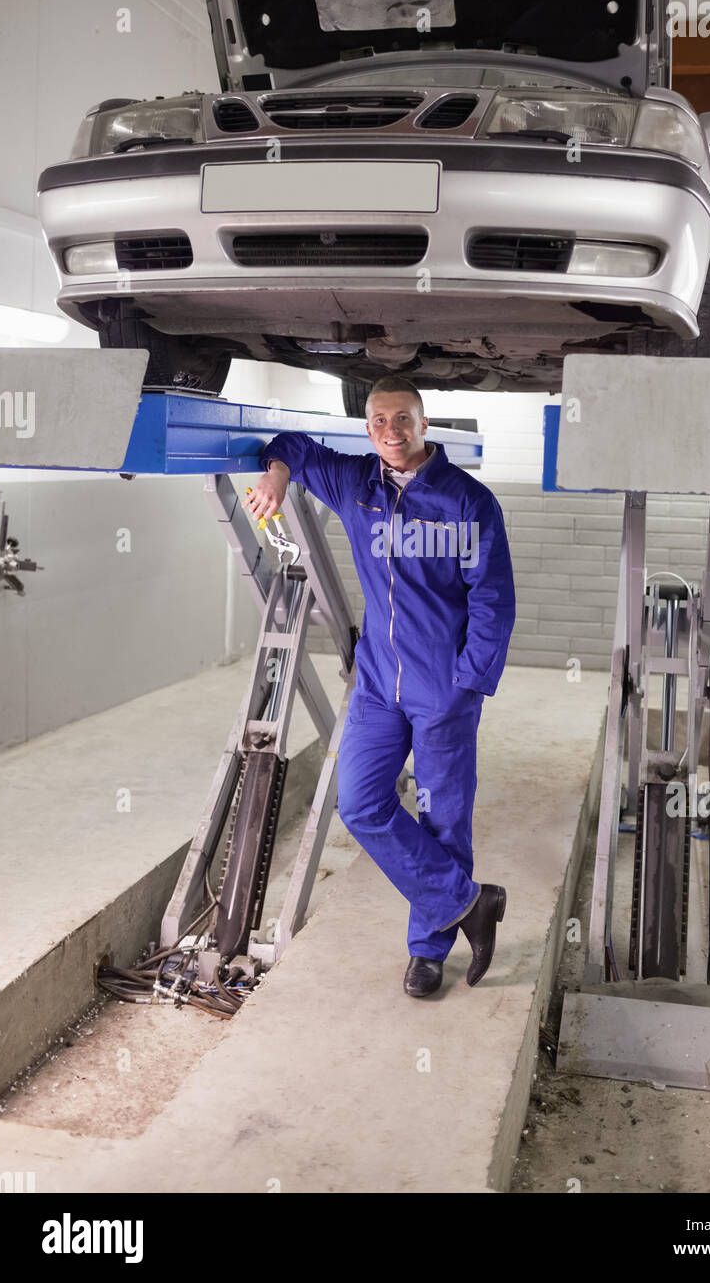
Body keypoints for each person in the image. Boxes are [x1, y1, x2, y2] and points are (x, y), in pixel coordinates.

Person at [245, 376, 516, 998]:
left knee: (443, 817)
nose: (389, 432)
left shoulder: (467, 501)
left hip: (441, 685)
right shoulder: (356, 485)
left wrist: (467, 682)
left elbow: (493, 598)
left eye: (402, 419)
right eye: (377, 421)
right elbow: (293, 443)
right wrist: (278, 474)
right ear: (366, 428)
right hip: (376, 683)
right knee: (361, 803)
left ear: (424, 423)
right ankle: (468, 902)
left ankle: (428, 950)